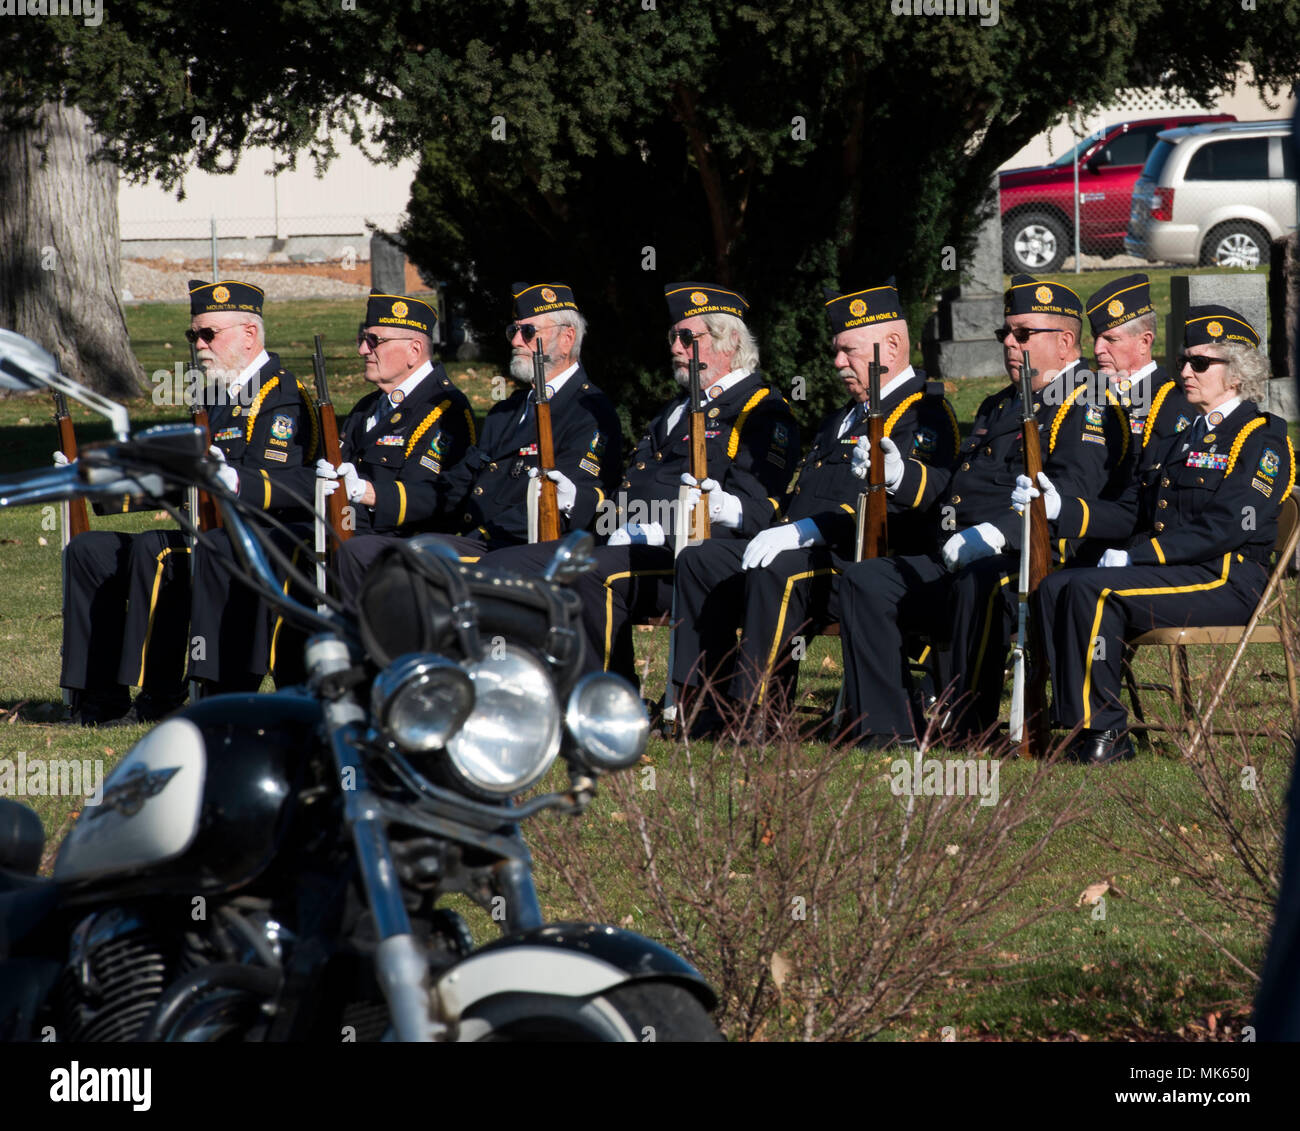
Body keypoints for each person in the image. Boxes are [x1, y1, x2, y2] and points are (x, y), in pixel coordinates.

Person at [836, 274, 1129, 748]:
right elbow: (954, 487)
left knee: (983, 581)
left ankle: (968, 727)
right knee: (864, 581)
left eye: (1023, 334)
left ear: (1066, 341)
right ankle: (888, 728)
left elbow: (1067, 499)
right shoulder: (1000, 404)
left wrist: (995, 535)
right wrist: (899, 476)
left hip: (1033, 564)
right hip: (956, 552)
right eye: (1005, 334)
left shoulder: (1087, 402)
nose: (1010, 344)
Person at [667, 280, 959, 726]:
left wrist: (807, 530)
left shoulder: (924, 410)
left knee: (775, 569)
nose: (838, 363)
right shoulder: (842, 417)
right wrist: (750, 515)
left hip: (865, 558)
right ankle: (699, 701)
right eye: (836, 351)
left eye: (850, 351)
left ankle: (759, 711)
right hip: (808, 546)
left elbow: (910, 507)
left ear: (894, 344)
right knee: (701, 558)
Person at [489, 282, 799, 693]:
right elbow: (629, 486)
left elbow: (755, 513)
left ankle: (604, 700)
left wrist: (664, 527)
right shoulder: (677, 409)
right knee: (506, 566)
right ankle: (516, 690)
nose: (674, 347)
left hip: (686, 560)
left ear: (732, 342)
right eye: (673, 337)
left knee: (585, 574)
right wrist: (583, 505)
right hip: (620, 540)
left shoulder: (761, 411)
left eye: (688, 338)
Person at [1020, 305, 1294, 763]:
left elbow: (1227, 526)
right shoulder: (1181, 437)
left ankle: (1106, 733)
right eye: (1183, 361)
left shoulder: (1261, 440)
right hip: (1176, 573)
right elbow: (1135, 508)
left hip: (1225, 581)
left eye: (1201, 363)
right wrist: (1060, 508)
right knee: (1056, 586)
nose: (1185, 371)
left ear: (1237, 373)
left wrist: (1141, 556)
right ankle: (1069, 723)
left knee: (1095, 590)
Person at [331, 281, 621, 592]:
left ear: (567, 339)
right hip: (479, 543)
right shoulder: (506, 413)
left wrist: (477, 536)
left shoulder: (588, 412)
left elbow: (571, 503)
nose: (516, 342)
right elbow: (455, 487)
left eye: (529, 333)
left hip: (520, 551)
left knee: (396, 557)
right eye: (514, 332)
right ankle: (364, 641)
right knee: (358, 551)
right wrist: (371, 493)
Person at [184, 279, 320, 696]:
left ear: (249, 335)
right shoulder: (212, 394)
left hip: (272, 526)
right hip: (216, 521)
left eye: (209, 334)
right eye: (194, 335)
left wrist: (231, 479)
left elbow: (275, 480)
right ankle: (124, 693)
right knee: (100, 550)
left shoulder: (281, 394)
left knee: (217, 547)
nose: (200, 345)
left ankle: (220, 686)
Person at [315, 291, 476, 540]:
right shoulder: (366, 407)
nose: (362, 350)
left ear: (414, 350)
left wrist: (363, 491)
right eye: (362, 338)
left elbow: (424, 500)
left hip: (401, 547)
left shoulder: (444, 409)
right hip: (346, 530)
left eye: (373, 341)